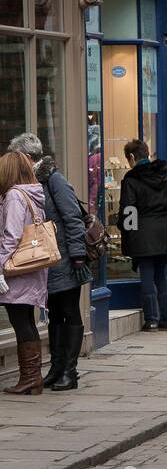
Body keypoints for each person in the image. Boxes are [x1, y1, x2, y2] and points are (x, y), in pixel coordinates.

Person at [8, 134, 88, 391]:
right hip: (46, 262)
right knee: (54, 315)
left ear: (28, 157)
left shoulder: (54, 179)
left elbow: (73, 217)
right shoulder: (32, 181)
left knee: (69, 312)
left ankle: (70, 372)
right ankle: (56, 367)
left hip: (65, 259)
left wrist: (77, 256)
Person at [118, 139, 167, 333]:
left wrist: (127, 231)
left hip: (143, 233)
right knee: (161, 274)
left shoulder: (131, 179)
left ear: (131, 157)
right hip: (165, 231)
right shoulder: (166, 173)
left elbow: (129, 210)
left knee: (146, 274)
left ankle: (151, 319)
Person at [0, 150, 49, 396]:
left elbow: (11, 236)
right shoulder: (32, 193)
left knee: (21, 321)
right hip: (32, 267)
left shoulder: (14, 196)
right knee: (26, 320)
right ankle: (32, 378)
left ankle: (30, 378)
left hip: (17, 270)